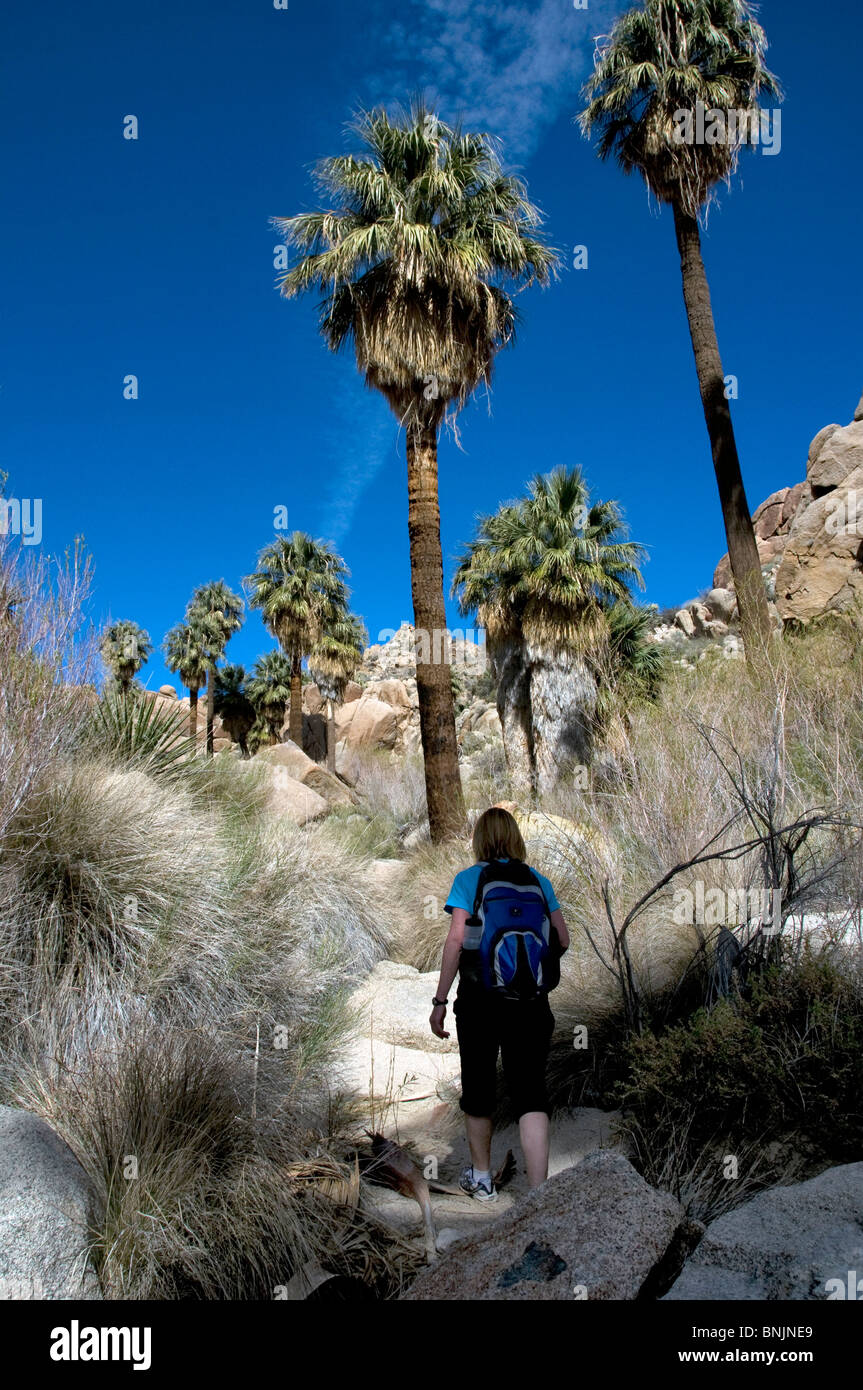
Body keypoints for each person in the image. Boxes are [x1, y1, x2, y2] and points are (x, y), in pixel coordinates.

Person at [429, 806, 570, 1200]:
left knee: (479, 1086)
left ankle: (481, 1179)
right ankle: (538, 1192)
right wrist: (530, 968)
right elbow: (563, 938)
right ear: (515, 838)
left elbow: (456, 940)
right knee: (531, 1092)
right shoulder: (538, 881)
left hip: (479, 1000)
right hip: (530, 1002)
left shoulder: (469, 880)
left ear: (480, 840)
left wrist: (440, 1000)